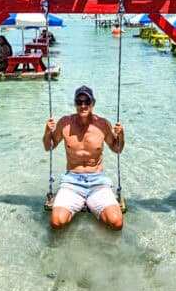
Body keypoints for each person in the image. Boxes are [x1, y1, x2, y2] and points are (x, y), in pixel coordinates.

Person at [43, 85, 124, 230]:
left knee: (116, 223)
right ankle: (83, 203)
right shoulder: (65, 123)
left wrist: (121, 135)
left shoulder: (103, 124)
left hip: (97, 179)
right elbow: (48, 146)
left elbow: (117, 149)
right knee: (56, 222)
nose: (83, 105)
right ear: (74, 104)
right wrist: (47, 131)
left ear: (93, 103)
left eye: (87, 101)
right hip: (72, 180)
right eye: (79, 102)